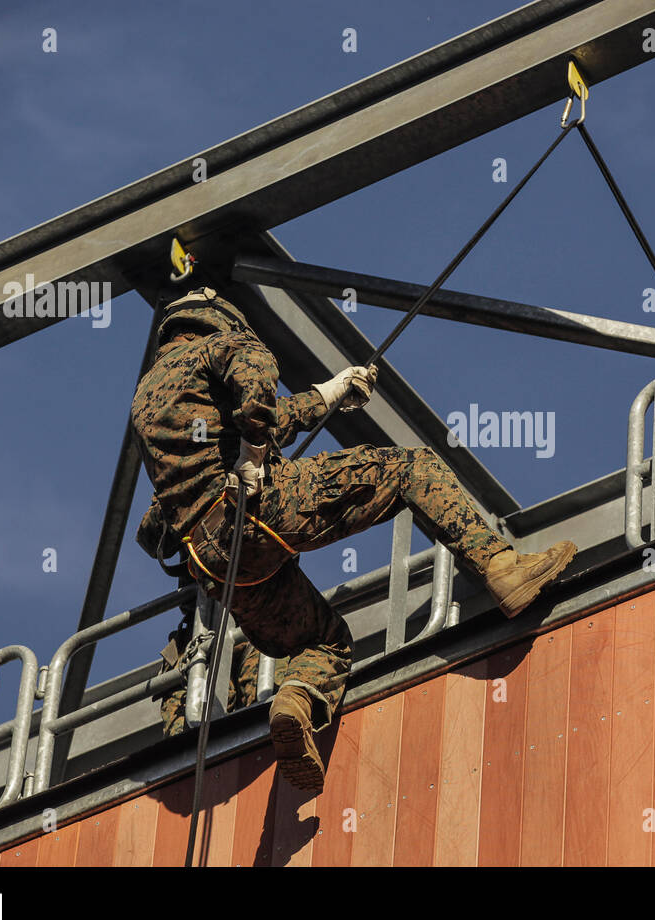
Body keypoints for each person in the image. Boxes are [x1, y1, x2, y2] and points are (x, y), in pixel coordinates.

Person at [131, 286, 576, 791]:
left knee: (324, 640)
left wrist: (334, 392)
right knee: (412, 468)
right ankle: (501, 569)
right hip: (262, 506)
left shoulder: (145, 401)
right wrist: (255, 455)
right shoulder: (218, 347)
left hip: (218, 562)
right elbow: (258, 376)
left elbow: (156, 525)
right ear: (219, 319)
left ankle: (296, 703)